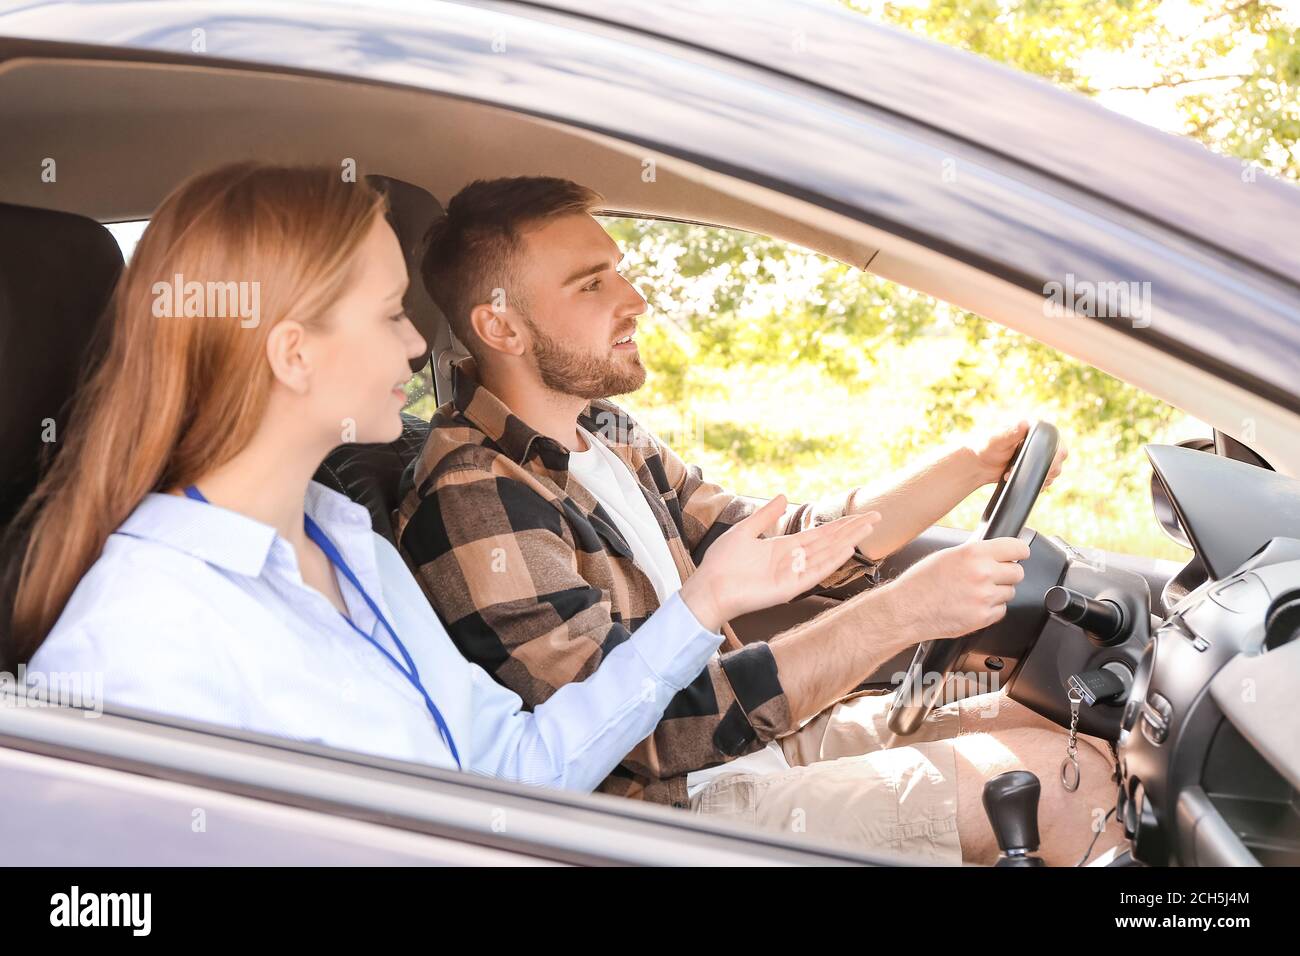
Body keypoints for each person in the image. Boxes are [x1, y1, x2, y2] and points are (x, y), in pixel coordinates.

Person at [11, 163, 875, 792]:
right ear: (294, 353)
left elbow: (516, 769)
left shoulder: (348, 543)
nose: (420, 345)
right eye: (391, 314)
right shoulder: (137, 636)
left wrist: (699, 608)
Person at [397, 176, 1123, 864]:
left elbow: (778, 546)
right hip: (673, 812)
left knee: (1048, 726)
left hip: (742, 754)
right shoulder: (474, 493)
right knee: (1068, 789)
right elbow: (646, 736)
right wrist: (902, 614)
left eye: (618, 270)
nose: (636, 298)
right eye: (592, 284)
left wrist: (967, 466)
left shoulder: (603, 431)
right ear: (502, 325)